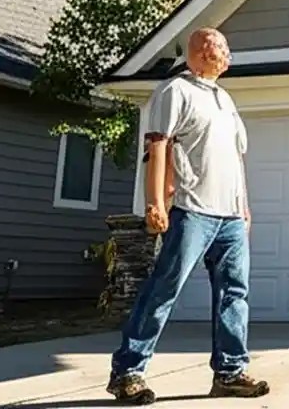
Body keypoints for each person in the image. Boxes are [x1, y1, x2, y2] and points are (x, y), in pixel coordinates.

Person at [107, 28, 269, 404]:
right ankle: (127, 372)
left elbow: (236, 159)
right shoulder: (174, 91)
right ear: (199, 50)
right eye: (221, 47)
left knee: (234, 293)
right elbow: (158, 145)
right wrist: (155, 202)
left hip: (229, 217)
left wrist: (244, 207)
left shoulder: (225, 100)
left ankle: (229, 372)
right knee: (164, 288)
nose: (228, 53)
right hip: (192, 210)